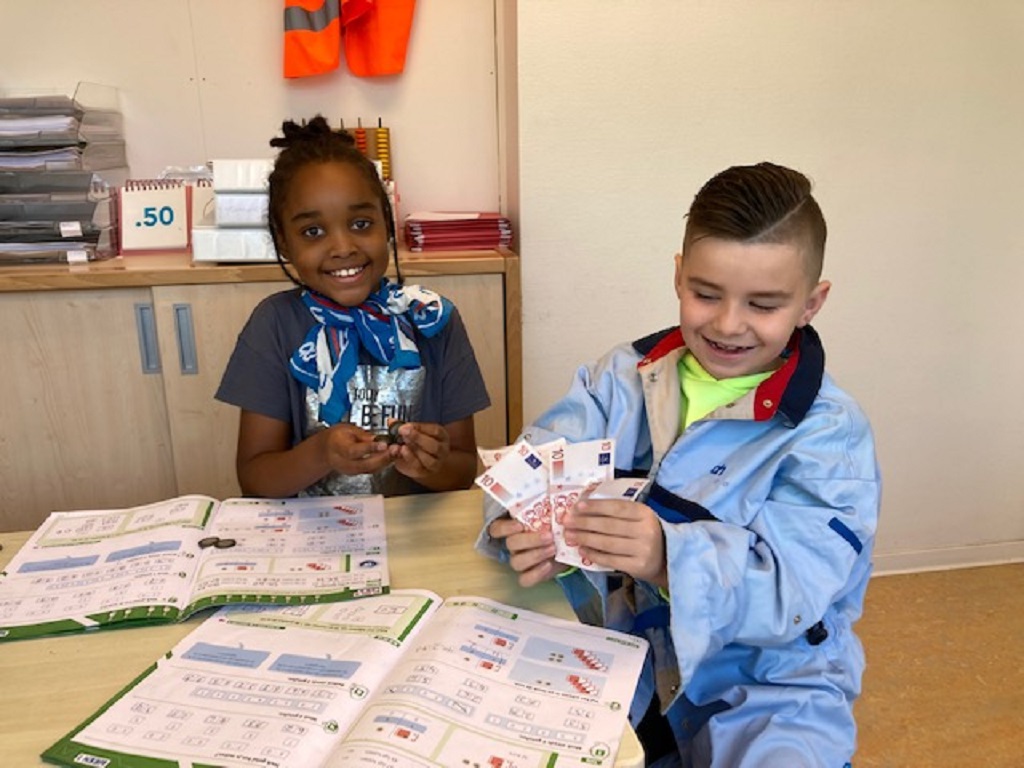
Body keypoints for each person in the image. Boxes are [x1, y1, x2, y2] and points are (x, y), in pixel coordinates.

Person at [478, 162, 880, 767]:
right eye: (706, 293)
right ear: (677, 276)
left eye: (763, 304)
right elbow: (539, 454)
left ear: (811, 303)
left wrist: (672, 556)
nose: (727, 324)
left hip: (770, 680)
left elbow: (795, 589)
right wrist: (517, 519)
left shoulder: (830, 435)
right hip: (622, 648)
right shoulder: (619, 376)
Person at [216, 116, 490, 498]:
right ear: (283, 243)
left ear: (387, 225)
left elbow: (462, 471)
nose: (343, 246)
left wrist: (432, 464)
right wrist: (321, 454)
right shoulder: (274, 325)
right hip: (312, 544)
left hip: (413, 538)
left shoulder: (433, 319)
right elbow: (256, 479)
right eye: (313, 231)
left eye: (361, 223)